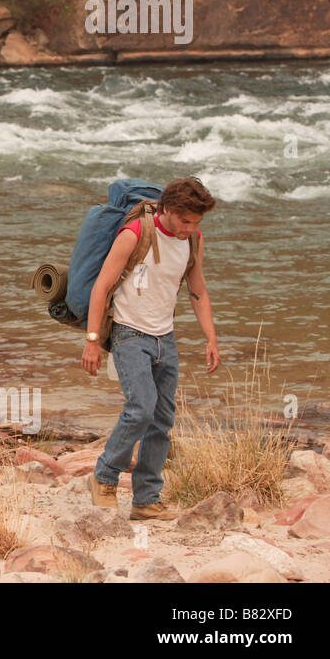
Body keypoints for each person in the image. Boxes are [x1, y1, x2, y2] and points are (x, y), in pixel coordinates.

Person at [82, 176, 220, 520]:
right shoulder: (135, 234)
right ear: (168, 210)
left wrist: (211, 338)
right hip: (129, 334)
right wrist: (93, 340)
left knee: (161, 420)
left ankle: (146, 499)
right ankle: (104, 477)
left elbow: (198, 291)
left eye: (197, 222)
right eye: (185, 220)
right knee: (140, 409)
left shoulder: (193, 241)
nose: (190, 228)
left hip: (166, 338)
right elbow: (101, 286)